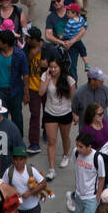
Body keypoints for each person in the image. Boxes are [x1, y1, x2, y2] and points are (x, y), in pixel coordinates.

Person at [68, 129, 107, 213]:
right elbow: (77, 171)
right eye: (77, 145)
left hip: (91, 198)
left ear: (89, 147)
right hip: (79, 196)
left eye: (81, 147)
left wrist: (97, 197)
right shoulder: (75, 153)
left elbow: (102, 178)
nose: (78, 149)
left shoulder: (97, 158)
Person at [39, 48, 76, 181]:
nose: (53, 69)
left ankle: (66, 155)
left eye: (55, 67)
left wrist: (75, 113)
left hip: (65, 113)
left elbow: (73, 97)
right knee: (52, 141)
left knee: (65, 136)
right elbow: (41, 93)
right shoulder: (45, 76)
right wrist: (47, 79)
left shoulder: (69, 79)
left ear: (60, 67)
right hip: (50, 113)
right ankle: (52, 169)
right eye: (51, 67)